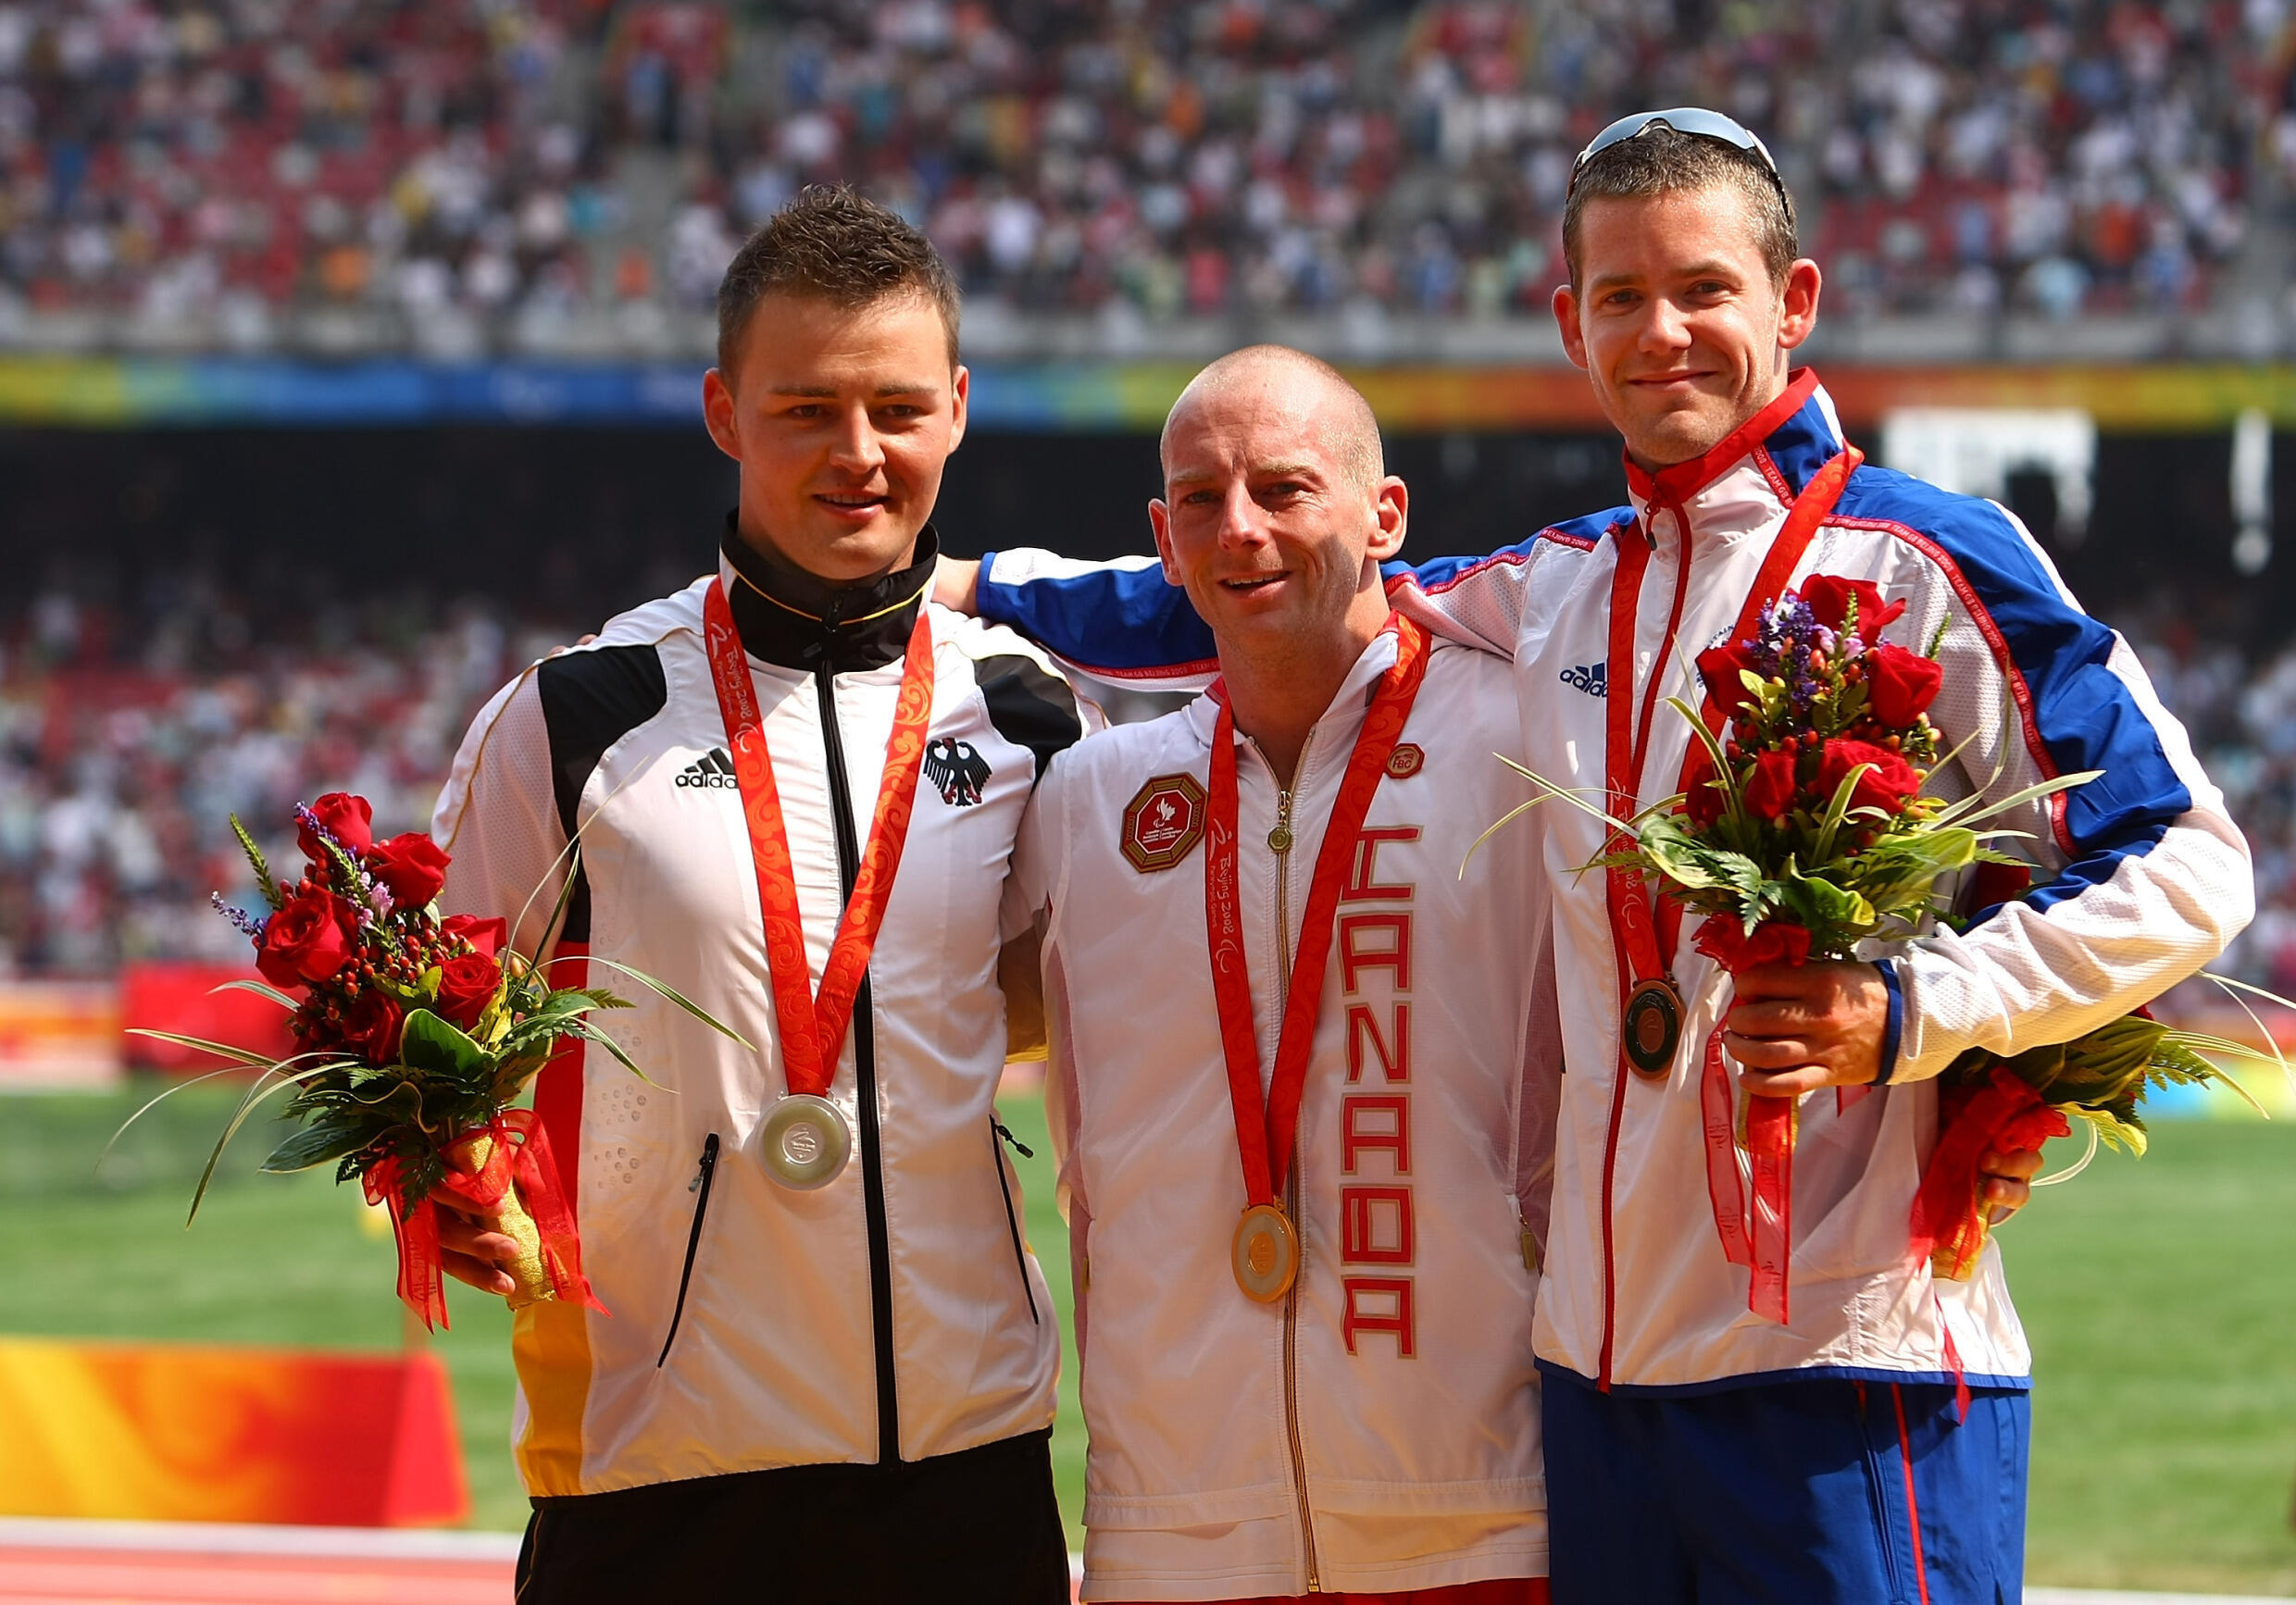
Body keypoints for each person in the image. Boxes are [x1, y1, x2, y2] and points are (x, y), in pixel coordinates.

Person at [943, 110, 2246, 1603]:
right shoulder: (1557, 589)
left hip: (1841, 1358)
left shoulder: (1924, 556)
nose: (1663, 330)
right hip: (1599, 1384)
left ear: (1794, 302)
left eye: (1703, 288)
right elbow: (1281, 590)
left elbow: (2189, 859)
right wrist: (962, 579)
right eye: (1620, 297)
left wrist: (1911, 1010)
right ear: (1571, 324)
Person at [430, 187, 1085, 1601]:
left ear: (960, 409)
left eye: (899, 409)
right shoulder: (573, 716)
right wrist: (462, 1181)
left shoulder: (1032, 717)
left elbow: (1072, 1003)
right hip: (663, 1471)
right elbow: (435, 1024)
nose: (860, 453)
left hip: (969, 1461)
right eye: (807, 410)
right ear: (725, 412)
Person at [1010, 344, 1555, 1602]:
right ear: (1162, 533)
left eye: (1284, 488)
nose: (1240, 528)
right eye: (1201, 497)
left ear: (1387, 514)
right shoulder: (1095, 798)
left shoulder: (1527, 745)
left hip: (1473, 1510)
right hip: (1178, 1524)